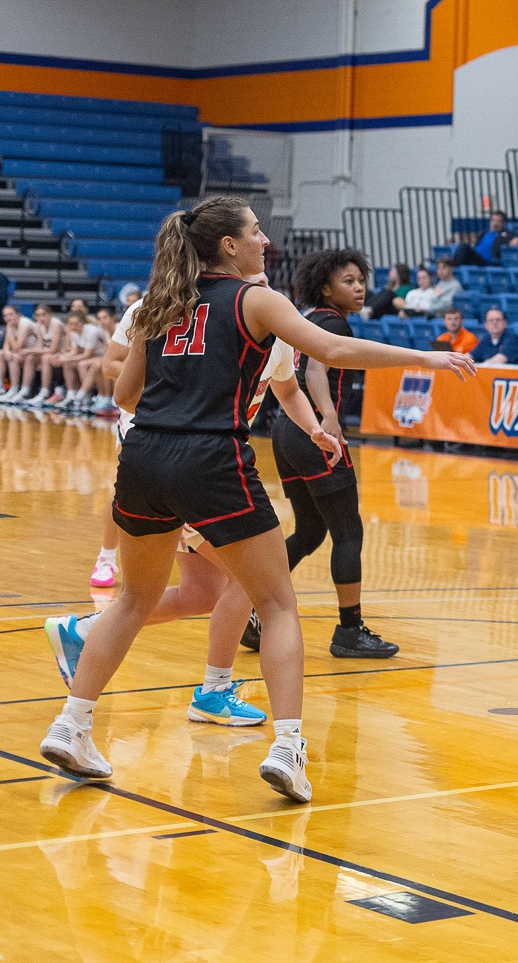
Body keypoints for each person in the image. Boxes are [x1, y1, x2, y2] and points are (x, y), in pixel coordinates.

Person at [38, 197, 471, 803]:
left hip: (143, 457)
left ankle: (72, 725)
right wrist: (426, 357)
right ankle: (288, 749)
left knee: (133, 599)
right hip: (210, 458)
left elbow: (127, 396)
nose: (265, 240)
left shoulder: (161, 302)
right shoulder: (255, 300)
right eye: (256, 231)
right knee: (277, 603)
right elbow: (334, 351)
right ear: (229, 246)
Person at [53, 272, 340, 705]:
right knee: (248, 578)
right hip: (174, 454)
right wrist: (176, 405)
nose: (261, 284)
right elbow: (116, 375)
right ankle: (213, 690)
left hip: (207, 457)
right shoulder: (160, 308)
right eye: (253, 275)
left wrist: (315, 429)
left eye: (265, 282)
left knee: (200, 593)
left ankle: (85, 631)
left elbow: (287, 389)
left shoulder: (272, 325)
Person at [251, 247, 402, 660]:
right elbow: (317, 369)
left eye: (361, 280)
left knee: (310, 531)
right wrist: (329, 416)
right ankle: (350, 630)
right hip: (315, 433)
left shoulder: (305, 320)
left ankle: (251, 611)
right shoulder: (334, 323)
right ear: (325, 288)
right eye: (348, 281)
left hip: (286, 432)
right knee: (349, 533)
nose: (359, 288)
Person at [0, 304, 37, 403]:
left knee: (14, 356)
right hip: (23, 353)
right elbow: (6, 345)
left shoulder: (24, 324)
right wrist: (7, 351)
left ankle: (16, 389)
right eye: (5, 315)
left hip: (35, 354)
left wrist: (9, 330)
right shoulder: (11, 324)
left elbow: (17, 347)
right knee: (0, 353)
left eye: (11, 314)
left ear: (18, 314)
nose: (8, 318)